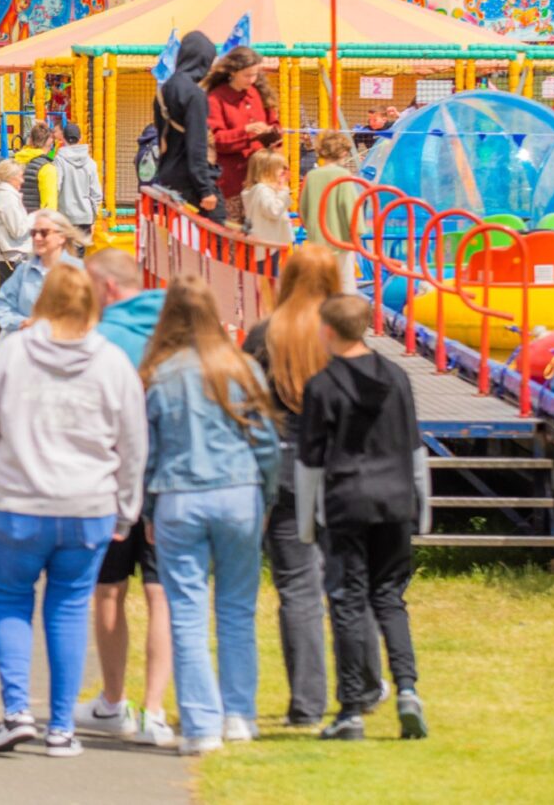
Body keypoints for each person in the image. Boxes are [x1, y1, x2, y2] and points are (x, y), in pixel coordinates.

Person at [0, 266, 148, 758]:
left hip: (17, 501)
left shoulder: (13, 354)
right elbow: (133, 444)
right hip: (89, 505)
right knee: (68, 610)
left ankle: (17, 710)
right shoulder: (111, 362)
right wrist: (126, 509)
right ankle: (62, 726)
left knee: (9, 601)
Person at [142, 275, 281, 756]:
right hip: (239, 492)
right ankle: (239, 713)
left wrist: (149, 509)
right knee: (237, 608)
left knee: (186, 610)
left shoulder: (159, 374)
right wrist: (265, 494)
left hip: (179, 495)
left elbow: (149, 450)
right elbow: (265, 443)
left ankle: (201, 724)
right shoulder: (242, 368)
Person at [242, 244, 374, 729]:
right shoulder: (344, 337)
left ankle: (306, 701)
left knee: (296, 588)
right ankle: (361, 687)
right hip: (341, 473)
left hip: (282, 473)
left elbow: (246, 406)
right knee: (348, 584)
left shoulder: (263, 335)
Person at [300, 295, 430, 743]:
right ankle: (408, 690)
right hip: (395, 501)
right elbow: (416, 448)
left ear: (330, 331)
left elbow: (310, 462)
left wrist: (305, 522)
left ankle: (351, 710)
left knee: (348, 603)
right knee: (390, 598)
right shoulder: (397, 377)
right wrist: (422, 507)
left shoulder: (322, 386)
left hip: (346, 503)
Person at [78, 245, 175, 746]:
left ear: (107, 287)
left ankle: (113, 701)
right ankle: (155, 709)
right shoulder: (173, 333)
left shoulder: (100, 340)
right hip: (168, 480)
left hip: (113, 483)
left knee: (109, 591)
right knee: (161, 595)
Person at [152, 31, 220, 219]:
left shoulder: (163, 90)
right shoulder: (194, 95)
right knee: (218, 237)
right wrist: (205, 189)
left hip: (168, 176)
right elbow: (196, 145)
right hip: (191, 181)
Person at [206, 45, 279, 215]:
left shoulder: (259, 94)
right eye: (247, 75)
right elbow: (216, 139)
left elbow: (275, 123)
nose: (252, 80)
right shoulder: (216, 99)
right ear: (233, 72)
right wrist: (246, 131)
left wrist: (271, 132)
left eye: (255, 74)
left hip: (261, 180)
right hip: (232, 184)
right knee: (234, 234)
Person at [0, 210, 84, 334]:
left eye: (44, 233)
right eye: (33, 233)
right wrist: (22, 323)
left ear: (61, 237)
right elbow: (1, 304)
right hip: (26, 344)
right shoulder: (23, 271)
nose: (37, 238)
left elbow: (89, 312)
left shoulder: (78, 271)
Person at [302, 131, 361, 291]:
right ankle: (344, 313)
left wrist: (310, 228)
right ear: (343, 152)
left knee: (321, 281)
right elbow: (350, 206)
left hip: (318, 238)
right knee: (345, 280)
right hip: (341, 239)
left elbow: (304, 208)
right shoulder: (343, 175)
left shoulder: (312, 175)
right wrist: (357, 231)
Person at [52, 122, 106, 254]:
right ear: (80, 138)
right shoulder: (90, 163)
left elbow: (56, 186)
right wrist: (92, 215)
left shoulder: (59, 160)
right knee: (79, 254)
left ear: (63, 139)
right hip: (85, 216)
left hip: (65, 214)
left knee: (64, 253)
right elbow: (96, 194)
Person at [13, 121, 60, 215]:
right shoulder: (47, 168)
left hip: (15, 219)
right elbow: (49, 203)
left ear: (30, 140)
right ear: (50, 142)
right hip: (34, 221)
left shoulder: (15, 160)